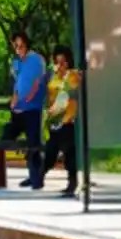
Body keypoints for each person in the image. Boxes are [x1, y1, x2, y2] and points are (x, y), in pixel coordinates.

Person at [2, 31, 46, 189]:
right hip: (19, 109)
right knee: (7, 134)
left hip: (32, 109)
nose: (18, 48)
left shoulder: (36, 60)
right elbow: (17, 83)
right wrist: (15, 100)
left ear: (26, 44)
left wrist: (27, 99)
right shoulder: (17, 62)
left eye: (21, 45)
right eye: (16, 46)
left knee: (33, 143)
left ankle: (36, 179)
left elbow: (37, 82)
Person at [38, 44, 81, 197]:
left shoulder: (73, 76)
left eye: (63, 62)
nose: (60, 65)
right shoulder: (53, 77)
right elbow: (48, 96)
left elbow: (66, 94)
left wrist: (53, 110)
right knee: (50, 151)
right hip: (54, 121)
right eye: (57, 62)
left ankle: (72, 182)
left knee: (69, 153)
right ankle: (40, 175)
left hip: (68, 121)